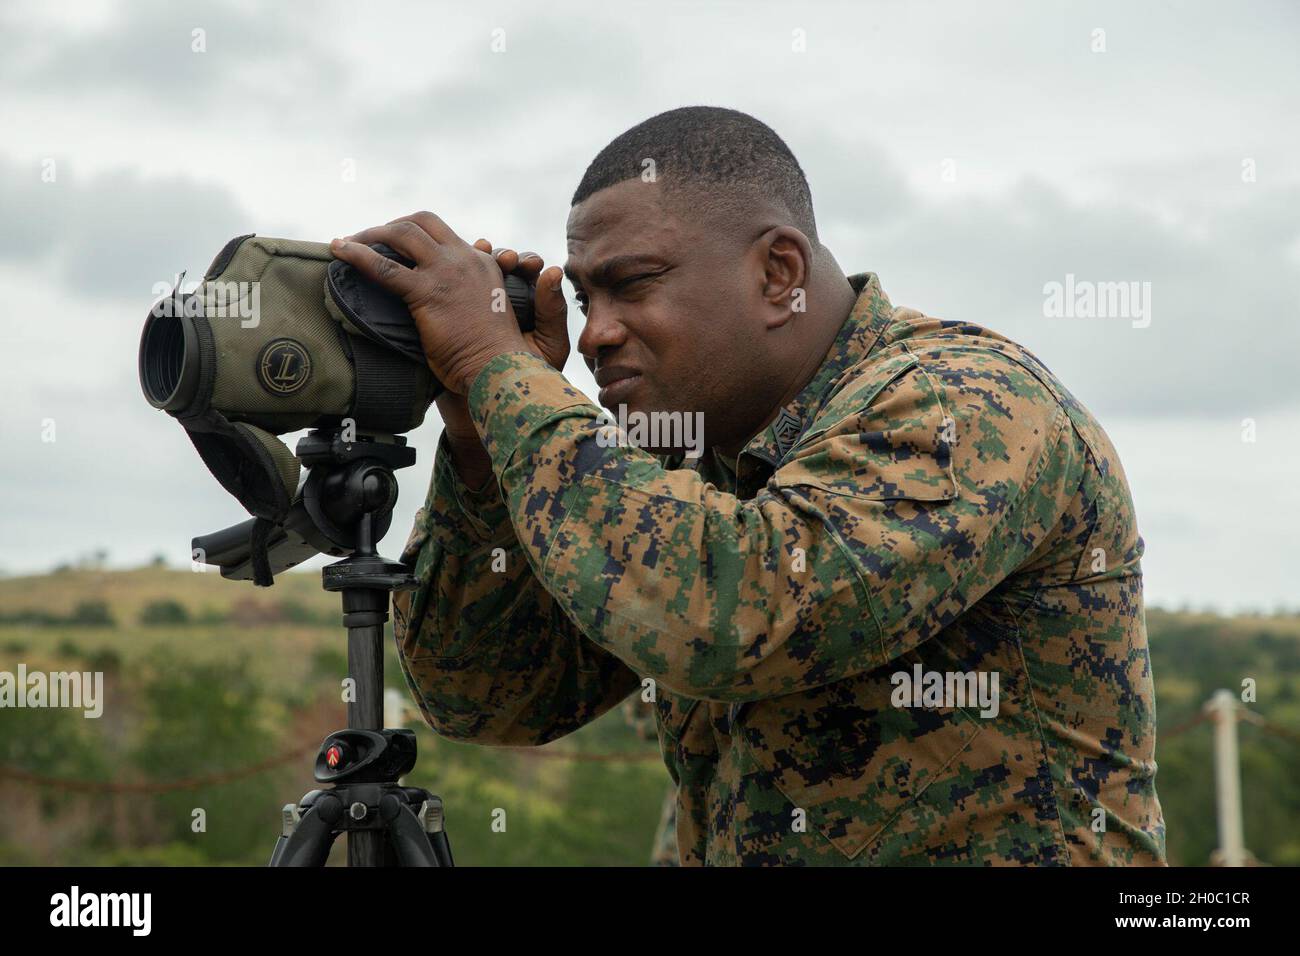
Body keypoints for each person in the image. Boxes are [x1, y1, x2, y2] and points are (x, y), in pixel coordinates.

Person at [329, 106, 1166, 866]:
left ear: (778, 275)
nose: (594, 336)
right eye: (583, 298)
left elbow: (731, 611)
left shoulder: (964, 403)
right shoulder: (683, 457)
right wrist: (481, 440)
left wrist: (496, 367)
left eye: (634, 284)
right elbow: (486, 693)